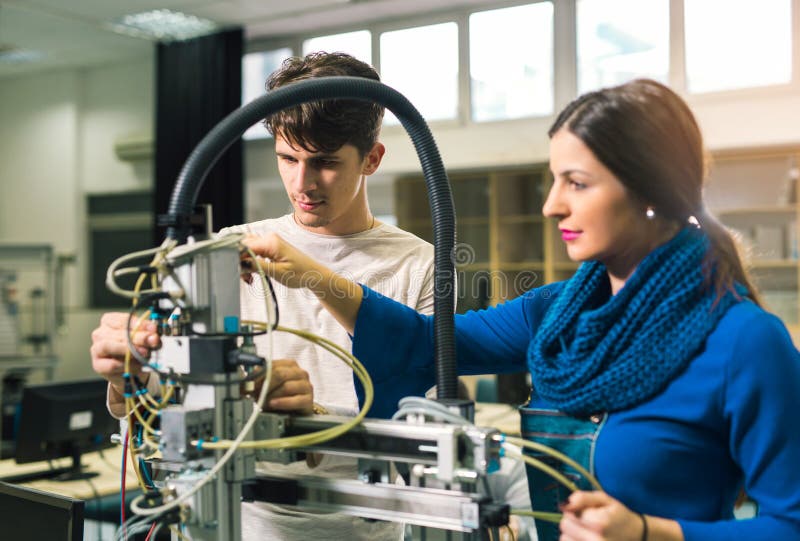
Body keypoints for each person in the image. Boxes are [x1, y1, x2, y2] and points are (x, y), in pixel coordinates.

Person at [241, 78, 800, 541]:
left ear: (649, 191)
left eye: (576, 183)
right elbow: (422, 344)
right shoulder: (555, 314)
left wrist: (651, 533)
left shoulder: (744, 342)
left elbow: (789, 523)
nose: (551, 205)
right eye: (554, 180)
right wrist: (311, 272)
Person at [90, 52, 434, 541]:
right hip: (231, 523)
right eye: (287, 158)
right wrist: (128, 376)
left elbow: (423, 438)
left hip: (357, 531)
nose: (302, 183)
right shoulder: (229, 249)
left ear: (372, 159)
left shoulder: (418, 264)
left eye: (326, 163)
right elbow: (158, 410)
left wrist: (313, 420)